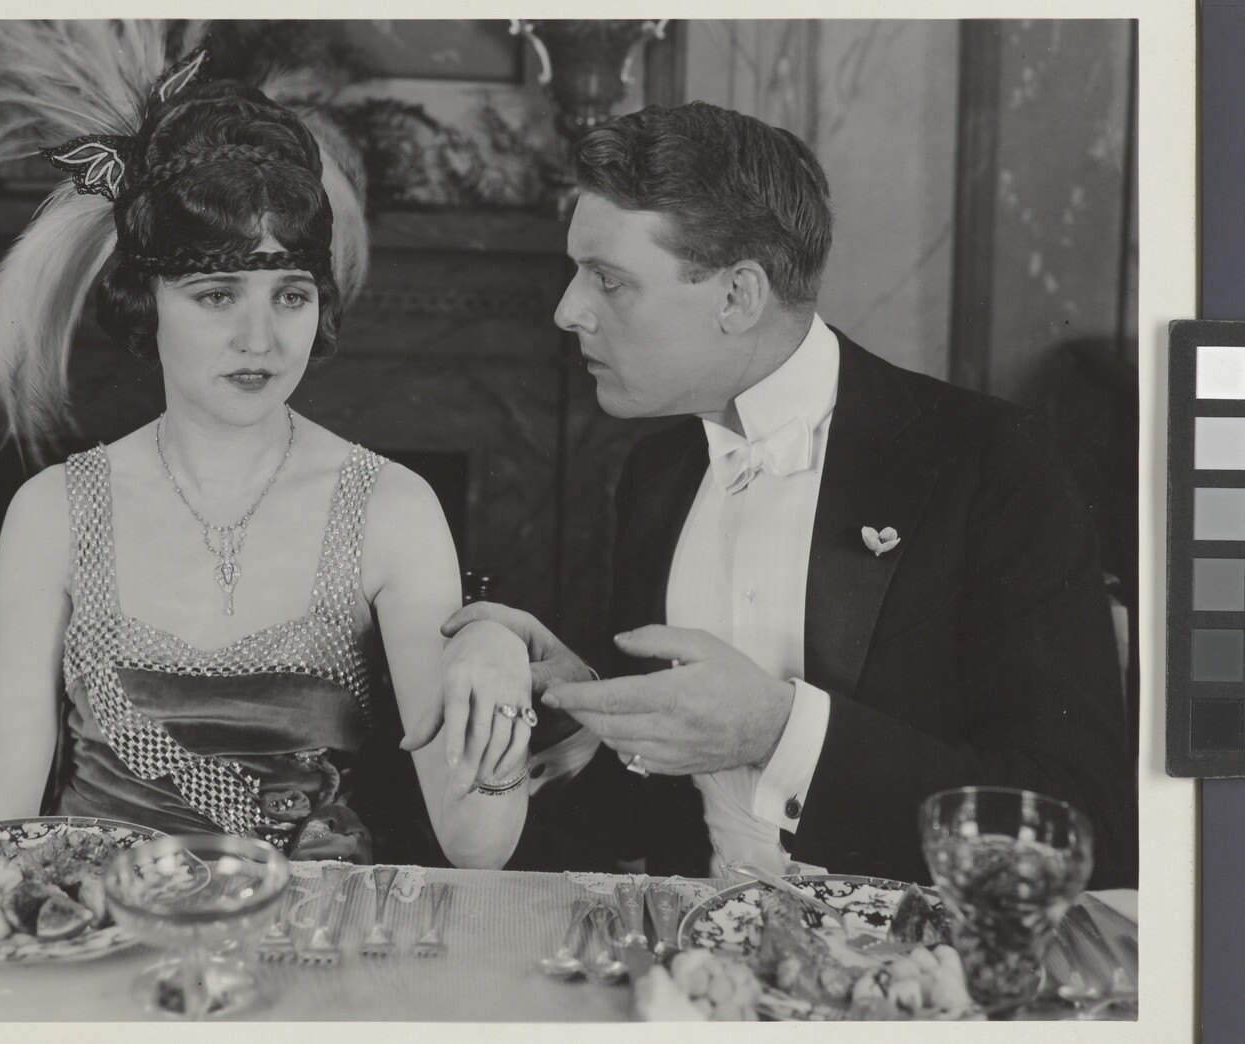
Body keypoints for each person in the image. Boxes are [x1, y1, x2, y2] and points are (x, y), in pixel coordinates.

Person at [406, 101, 1138, 888]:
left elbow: (1082, 817)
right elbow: (648, 818)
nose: (566, 310)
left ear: (739, 297)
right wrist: (585, 709)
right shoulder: (657, 472)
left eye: (609, 281)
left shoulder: (990, 462)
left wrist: (778, 732)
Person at [0, 23, 531, 870]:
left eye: (289, 295)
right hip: (104, 931)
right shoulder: (51, 515)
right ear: (145, 301)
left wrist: (499, 663)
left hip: (316, 937)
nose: (259, 339)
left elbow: (478, 845)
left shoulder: (392, 508)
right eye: (217, 294)